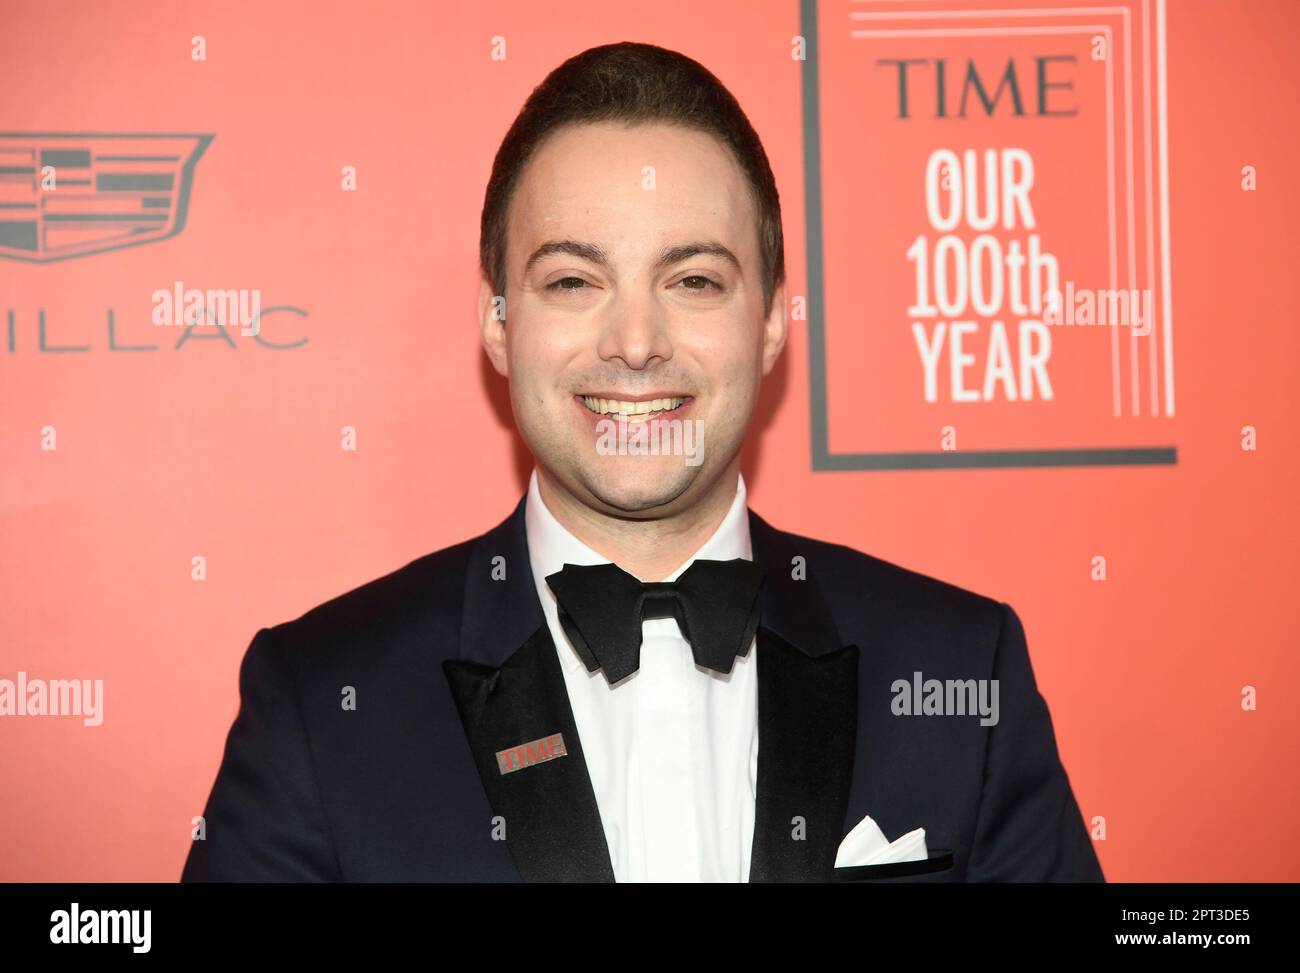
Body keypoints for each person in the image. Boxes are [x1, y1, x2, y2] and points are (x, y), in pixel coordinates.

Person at [181, 41, 1103, 883]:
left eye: (693, 279)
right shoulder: (321, 699)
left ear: (775, 319)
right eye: (574, 281)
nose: (635, 342)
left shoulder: (958, 666)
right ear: (498, 322)